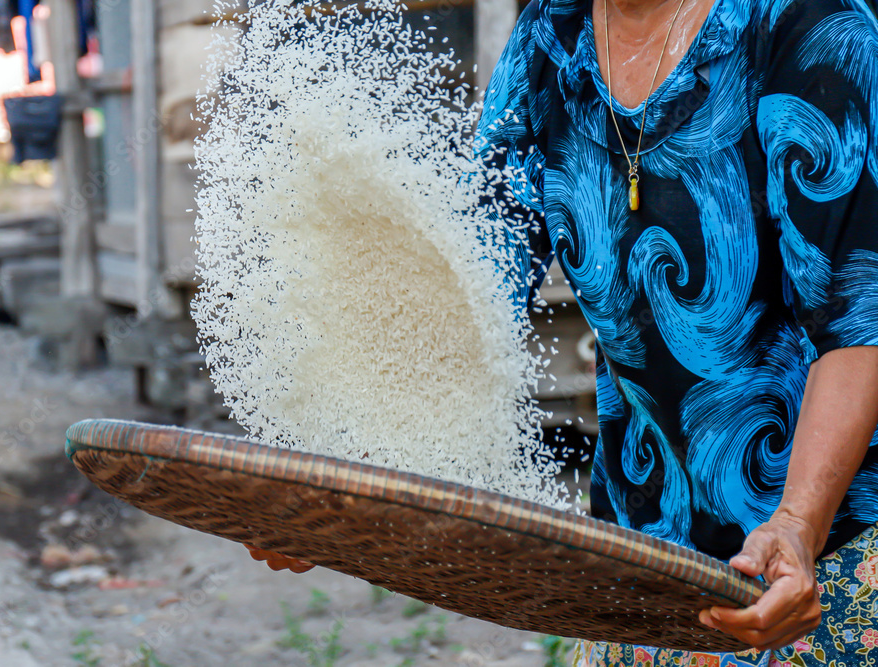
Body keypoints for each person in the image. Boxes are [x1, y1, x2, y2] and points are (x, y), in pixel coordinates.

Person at [251, 0, 878, 664]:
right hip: (645, 564)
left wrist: (798, 523)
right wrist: (333, 475)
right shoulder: (552, 41)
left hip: (824, 562)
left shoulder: (808, 27)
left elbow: (861, 318)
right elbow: (465, 300)